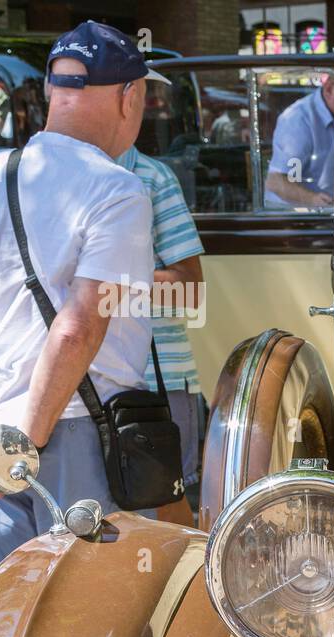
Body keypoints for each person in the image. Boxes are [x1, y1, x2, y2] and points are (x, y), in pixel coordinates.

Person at [0, 21, 159, 591]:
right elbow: (78, 328)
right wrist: (26, 444)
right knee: (92, 619)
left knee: (1, 622)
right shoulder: (118, 190)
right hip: (77, 434)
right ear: (129, 97)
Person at [113, 141, 205, 506]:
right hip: (70, 387)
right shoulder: (41, 172)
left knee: (167, 509)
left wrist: (101, 282)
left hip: (153, 383)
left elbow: (190, 292)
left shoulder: (152, 176)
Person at [265, 72, 334, 208]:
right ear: (329, 89)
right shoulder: (298, 120)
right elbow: (278, 181)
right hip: (295, 217)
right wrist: (314, 200)